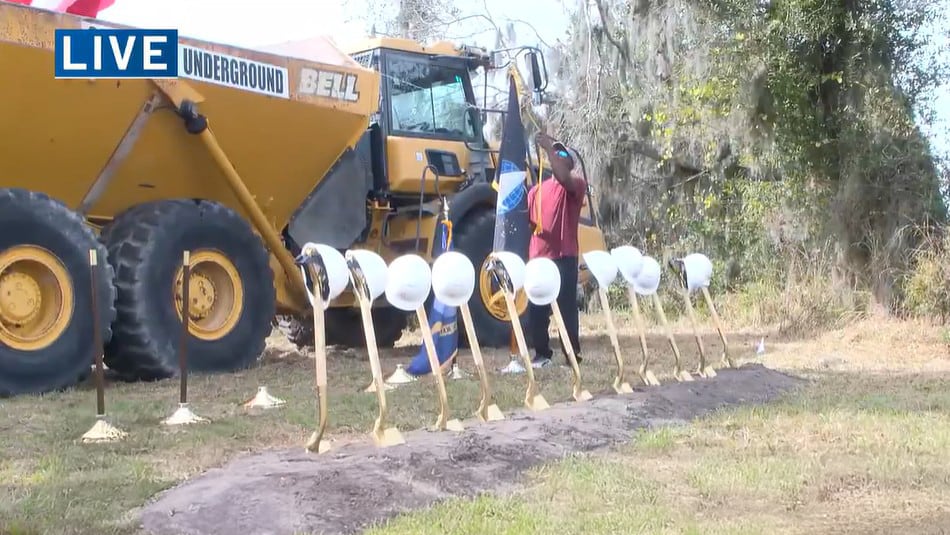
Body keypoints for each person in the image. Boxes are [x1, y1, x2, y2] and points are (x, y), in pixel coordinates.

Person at [526, 132, 587, 368]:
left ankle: (572, 354)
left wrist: (549, 149)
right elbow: (530, 222)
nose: (557, 156)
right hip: (539, 259)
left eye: (562, 154)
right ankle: (542, 354)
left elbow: (562, 177)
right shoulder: (536, 191)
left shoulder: (574, 184)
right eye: (556, 153)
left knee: (566, 309)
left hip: (564, 258)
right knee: (537, 311)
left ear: (569, 163)